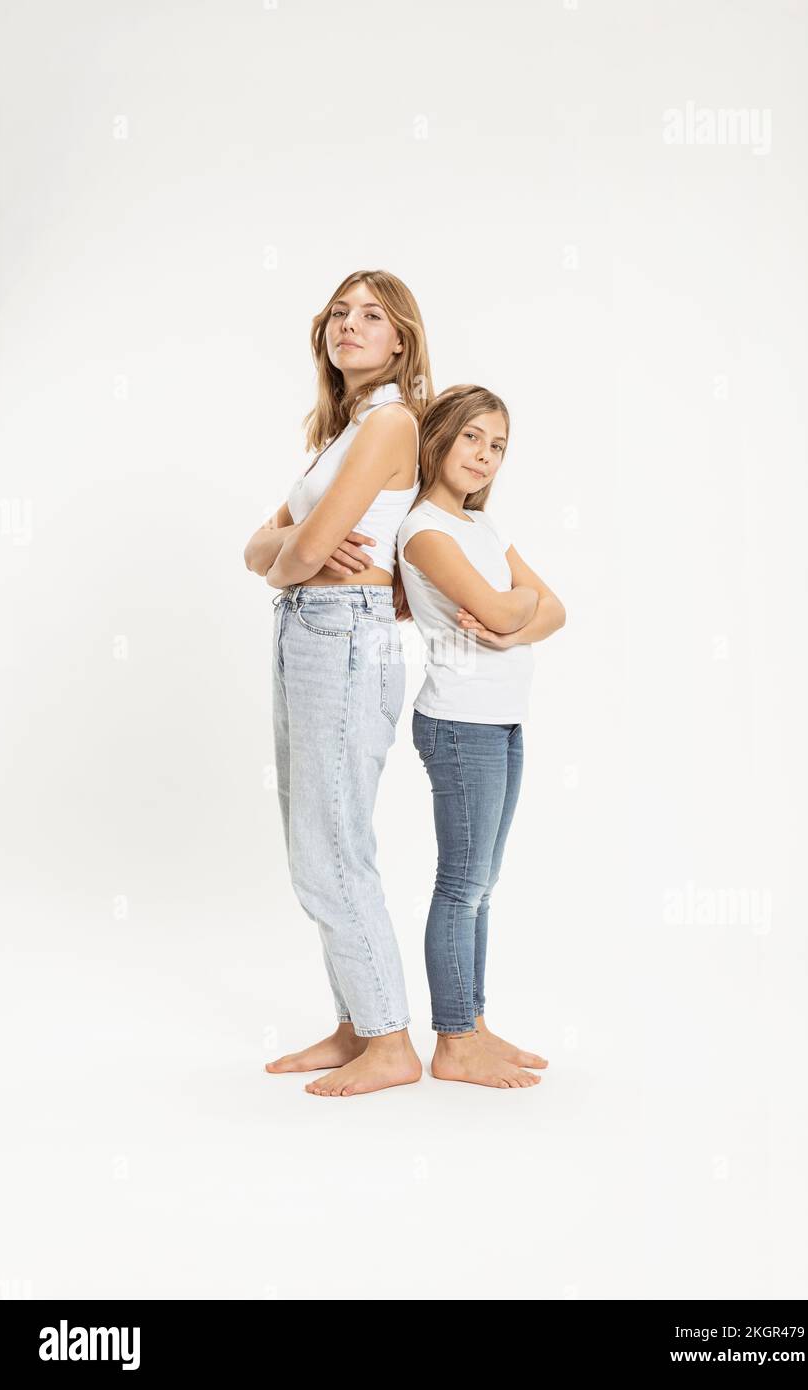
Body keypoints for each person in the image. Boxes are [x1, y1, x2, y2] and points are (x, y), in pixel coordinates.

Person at [244, 269, 433, 1097]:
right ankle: (357, 1023)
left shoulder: (390, 422)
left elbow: (299, 551)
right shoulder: (342, 433)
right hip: (310, 628)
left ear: (401, 341)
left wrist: (292, 556)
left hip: (344, 633)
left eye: (372, 316)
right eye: (339, 313)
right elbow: (259, 549)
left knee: (331, 846)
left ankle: (390, 1041)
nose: (349, 325)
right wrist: (290, 555)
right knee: (311, 840)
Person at [397, 385, 566, 1089]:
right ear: (439, 436)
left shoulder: (483, 528)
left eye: (497, 445)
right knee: (461, 885)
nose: (485, 455)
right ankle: (454, 1041)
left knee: (483, 888)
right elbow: (510, 606)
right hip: (460, 722)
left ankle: (473, 1021)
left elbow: (556, 610)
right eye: (472, 437)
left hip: (502, 717)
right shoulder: (425, 531)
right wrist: (516, 610)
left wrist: (513, 621)